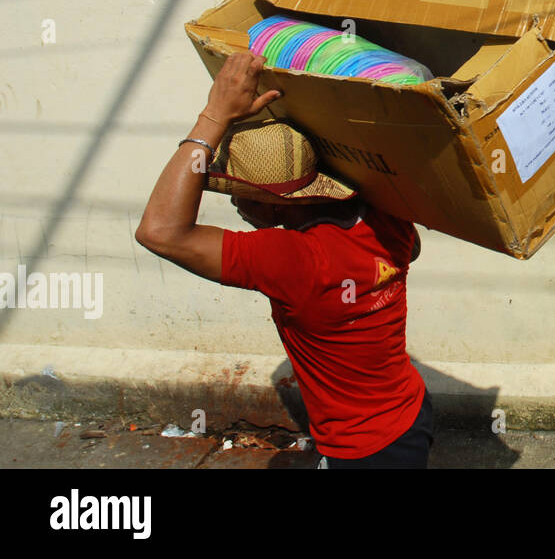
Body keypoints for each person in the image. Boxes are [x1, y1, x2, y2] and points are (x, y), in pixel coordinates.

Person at [135, 51, 433, 468]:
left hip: (363, 449)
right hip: (412, 410)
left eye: (242, 195)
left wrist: (214, 115)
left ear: (275, 207)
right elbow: (411, 251)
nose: (236, 203)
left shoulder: (290, 259)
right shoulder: (382, 220)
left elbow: (160, 232)